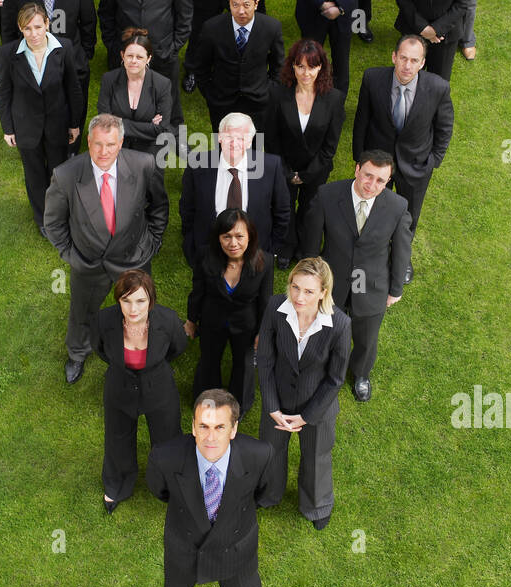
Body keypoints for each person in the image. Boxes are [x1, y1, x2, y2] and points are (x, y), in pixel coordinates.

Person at [146, 388, 277, 587]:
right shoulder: (165, 457)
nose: (210, 436)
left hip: (236, 543)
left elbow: (263, 493)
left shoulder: (259, 455)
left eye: (220, 427)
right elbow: (160, 491)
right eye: (203, 426)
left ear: (234, 429)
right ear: (193, 426)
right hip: (184, 542)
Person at [41, 113, 169, 383]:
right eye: (97, 144)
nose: (103, 151)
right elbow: (53, 223)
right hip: (88, 263)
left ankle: (142, 350)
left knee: (139, 310)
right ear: (88, 141)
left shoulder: (143, 165)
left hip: (134, 257)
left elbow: (159, 206)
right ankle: (77, 353)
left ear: (121, 142)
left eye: (110, 145)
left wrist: (153, 242)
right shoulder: (66, 176)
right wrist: (72, 257)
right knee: (82, 312)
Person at [302, 152, 411, 402]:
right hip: (332, 280)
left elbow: (402, 250)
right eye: (368, 176)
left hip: (372, 284)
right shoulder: (327, 195)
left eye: (380, 181)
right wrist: (310, 281)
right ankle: (322, 367)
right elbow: (311, 242)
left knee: (366, 336)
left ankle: (361, 373)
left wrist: (395, 290)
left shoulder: (397, 207)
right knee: (325, 328)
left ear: (388, 182)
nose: (371, 185)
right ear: (357, 169)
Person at [255, 257, 351, 529]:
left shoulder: (340, 325)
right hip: (279, 399)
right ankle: (269, 493)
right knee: (271, 450)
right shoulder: (275, 307)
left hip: (317, 406)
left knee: (317, 457)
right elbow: (265, 360)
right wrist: (272, 406)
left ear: (323, 292)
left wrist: (307, 416)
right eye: (295, 287)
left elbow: (335, 379)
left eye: (308, 291)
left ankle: (316, 504)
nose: (299, 296)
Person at [352, 35, 454, 264]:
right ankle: (368, 251)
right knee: (371, 207)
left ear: (422, 63)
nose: (408, 66)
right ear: (394, 57)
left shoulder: (438, 87)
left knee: (408, 216)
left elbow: (444, 126)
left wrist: (434, 161)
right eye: (403, 58)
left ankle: (400, 258)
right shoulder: (372, 78)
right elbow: (362, 121)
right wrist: (359, 158)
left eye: (414, 60)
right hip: (377, 163)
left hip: (417, 164)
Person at [93, 270, 188, 513]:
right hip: (119, 389)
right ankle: (117, 486)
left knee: (167, 441)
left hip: (159, 390)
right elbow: (101, 350)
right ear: (118, 301)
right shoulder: (104, 321)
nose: (133, 309)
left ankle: (169, 485)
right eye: (126, 300)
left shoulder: (167, 321)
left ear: (151, 300)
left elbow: (177, 348)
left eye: (140, 301)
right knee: (117, 440)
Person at [1, 0, 97, 142]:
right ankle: (39, 143)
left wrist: (84, 54)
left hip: (72, 60)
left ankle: (72, 143)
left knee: (74, 103)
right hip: (32, 62)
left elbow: (89, 23)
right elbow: (8, 30)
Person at [98, 0, 193, 126]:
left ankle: (177, 137)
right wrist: (114, 47)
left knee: (172, 103)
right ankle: (131, 139)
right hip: (128, 54)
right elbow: (105, 14)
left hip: (164, 52)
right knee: (128, 101)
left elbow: (185, 14)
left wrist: (174, 47)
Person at [0, 2, 83, 229]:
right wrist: (8, 128)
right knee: (34, 176)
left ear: (47, 24)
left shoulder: (64, 48)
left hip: (57, 124)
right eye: (27, 29)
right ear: (20, 28)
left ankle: (60, 215)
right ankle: (43, 219)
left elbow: (73, 88)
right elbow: (4, 92)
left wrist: (74, 124)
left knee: (58, 173)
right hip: (26, 127)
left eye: (37, 27)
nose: (33, 34)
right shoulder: (8, 54)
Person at [265, 39, 344, 266]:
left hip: (316, 168)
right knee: (285, 206)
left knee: (312, 210)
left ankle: (306, 249)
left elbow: (330, 146)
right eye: (300, 66)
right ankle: (286, 247)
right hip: (284, 166)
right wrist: (288, 172)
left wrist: (307, 174)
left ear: (321, 67)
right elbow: (271, 138)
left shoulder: (334, 99)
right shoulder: (278, 94)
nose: (306, 73)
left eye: (311, 67)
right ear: (292, 66)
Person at [185, 211, 274, 415]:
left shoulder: (265, 262)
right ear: (218, 237)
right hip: (212, 321)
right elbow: (197, 291)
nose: (233, 243)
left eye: (239, 236)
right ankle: (207, 400)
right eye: (227, 236)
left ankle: (239, 406)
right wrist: (191, 320)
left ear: (249, 236)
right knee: (209, 360)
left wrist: (263, 331)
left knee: (243, 365)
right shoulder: (205, 256)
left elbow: (265, 301)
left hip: (246, 325)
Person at [180, 112, 290, 267]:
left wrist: (270, 250)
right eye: (229, 136)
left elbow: (282, 211)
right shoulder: (197, 164)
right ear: (219, 137)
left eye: (241, 138)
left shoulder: (270, 167)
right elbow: (187, 208)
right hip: (209, 250)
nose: (234, 143)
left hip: (255, 252)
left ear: (249, 142)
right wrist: (192, 245)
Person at [189, 0, 284, 132]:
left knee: (255, 151)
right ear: (229, 3)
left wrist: (269, 92)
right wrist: (210, 94)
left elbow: (278, 65)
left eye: (246, 5)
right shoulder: (212, 28)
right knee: (223, 149)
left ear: (256, 4)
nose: (241, 11)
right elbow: (201, 66)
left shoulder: (271, 28)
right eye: (235, 5)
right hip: (221, 101)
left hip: (258, 101)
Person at [96, 28, 173, 156]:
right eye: (130, 56)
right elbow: (104, 121)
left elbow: (162, 128)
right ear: (122, 56)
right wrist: (149, 126)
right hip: (116, 145)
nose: (133, 61)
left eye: (139, 57)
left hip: (150, 148)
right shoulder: (109, 80)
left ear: (148, 59)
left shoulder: (162, 84)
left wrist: (119, 122)